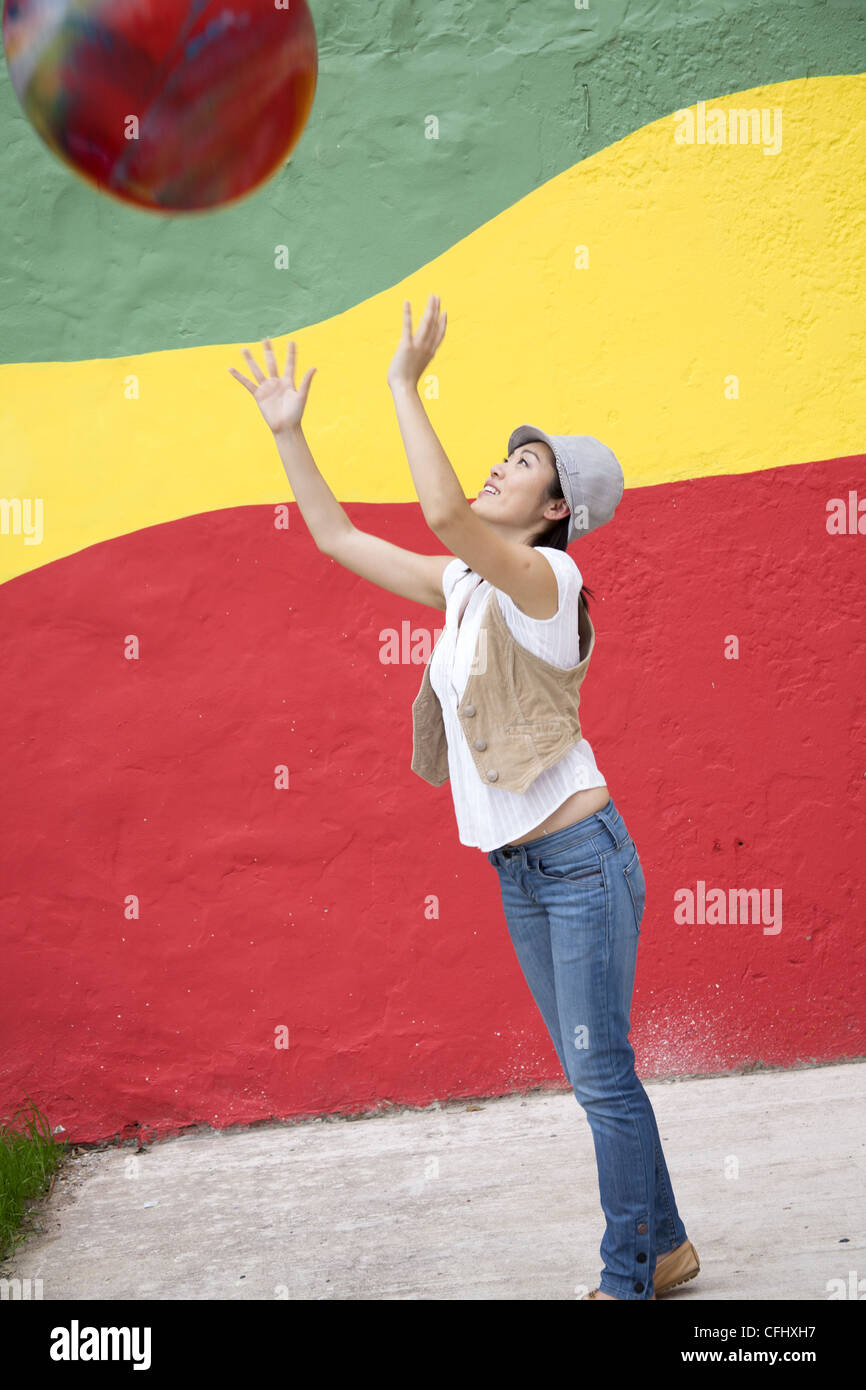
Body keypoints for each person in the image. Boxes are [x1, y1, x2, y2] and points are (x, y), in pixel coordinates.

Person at [228, 294, 700, 1301]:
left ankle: (627, 1280)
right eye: (505, 451)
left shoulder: (546, 585)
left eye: (521, 463)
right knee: (595, 1073)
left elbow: (443, 510)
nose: (498, 465)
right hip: (521, 870)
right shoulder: (466, 587)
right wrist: (289, 433)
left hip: (580, 863)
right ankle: (665, 1248)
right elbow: (333, 536)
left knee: (600, 1076)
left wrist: (402, 382)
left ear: (554, 507)